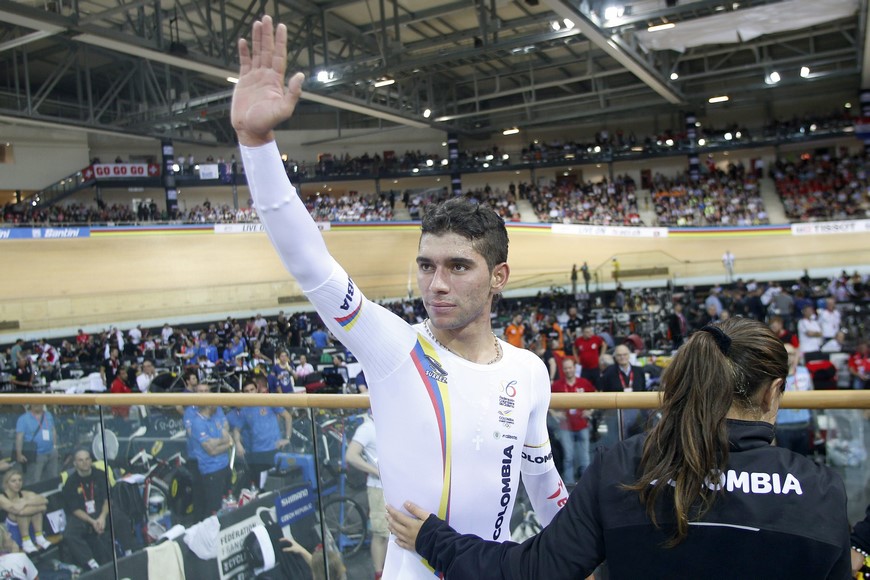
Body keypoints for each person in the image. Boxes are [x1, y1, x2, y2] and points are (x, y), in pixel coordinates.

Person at [231, 18, 567, 579]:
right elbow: (311, 263)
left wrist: (590, 553)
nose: (437, 283)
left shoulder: (530, 370)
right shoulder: (393, 349)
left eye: (459, 266)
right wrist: (257, 145)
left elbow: (542, 479)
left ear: (499, 276)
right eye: (427, 266)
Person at [386, 318, 851, 579]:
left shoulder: (626, 465)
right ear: (773, 393)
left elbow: (529, 573)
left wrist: (433, 538)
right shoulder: (820, 490)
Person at [345, 412, 388, 579]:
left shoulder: (388, 423)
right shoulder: (367, 428)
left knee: (393, 532)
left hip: (394, 487)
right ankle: (379, 574)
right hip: (378, 489)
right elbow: (351, 455)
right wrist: (376, 471)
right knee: (380, 533)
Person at [231, 380, 292, 489]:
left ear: (257, 389)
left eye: (252, 390)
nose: (250, 393)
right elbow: (236, 430)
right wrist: (237, 443)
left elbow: (287, 416)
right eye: (246, 391)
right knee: (262, 486)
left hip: (274, 450)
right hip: (257, 454)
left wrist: (287, 438)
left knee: (279, 484)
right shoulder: (244, 410)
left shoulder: (268, 401)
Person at [186, 382, 232, 520]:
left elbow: (227, 433)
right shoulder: (197, 422)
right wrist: (227, 444)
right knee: (212, 509)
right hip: (210, 470)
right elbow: (211, 450)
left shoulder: (214, 416)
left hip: (224, 467)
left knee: (226, 504)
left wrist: (221, 442)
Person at [62, 449, 113, 571]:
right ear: (75, 463)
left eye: (87, 459)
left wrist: (102, 517)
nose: (85, 463)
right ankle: (90, 562)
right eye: (80, 460)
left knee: (122, 520)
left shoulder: (100, 475)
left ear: (91, 460)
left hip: (102, 510)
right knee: (69, 534)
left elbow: (108, 499)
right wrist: (93, 521)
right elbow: (74, 509)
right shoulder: (70, 482)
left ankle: (129, 552)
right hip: (83, 514)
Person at [549, 359, 595, 485]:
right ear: (563, 370)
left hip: (582, 424)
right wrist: (555, 414)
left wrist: (590, 411)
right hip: (565, 427)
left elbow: (595, 397)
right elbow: (547, 401)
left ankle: (586, 484)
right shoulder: (557, 385)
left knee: (584, 457)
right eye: (565, 368)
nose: (568, 370)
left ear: (575, 368)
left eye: (570, 367)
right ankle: (568, 484)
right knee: (568, 456)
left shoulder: (583, 383)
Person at [0, 468, 52, 554]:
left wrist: (26, 502)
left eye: (20, 480)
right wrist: (41, 507)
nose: (17, 483)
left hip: (31, 529)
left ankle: (39, 537)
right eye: (13, 481)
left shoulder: (25, 493)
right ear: (6, 483)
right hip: (12, 533)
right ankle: (26, 541)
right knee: (25, 509)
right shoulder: (1, 497)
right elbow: (17, 510)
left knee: (30, 508)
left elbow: (44, 500)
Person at [15, 404, 58, 485]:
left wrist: (55, 447)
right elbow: (19, 437)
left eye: (38, 402)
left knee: (53, 478)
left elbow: (53, 430)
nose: (36, 404)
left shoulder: (48, 415)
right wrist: (19, 454)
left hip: (51, 452)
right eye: (34, 402)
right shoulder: (23, 418)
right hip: (35, 454)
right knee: (34, 481)